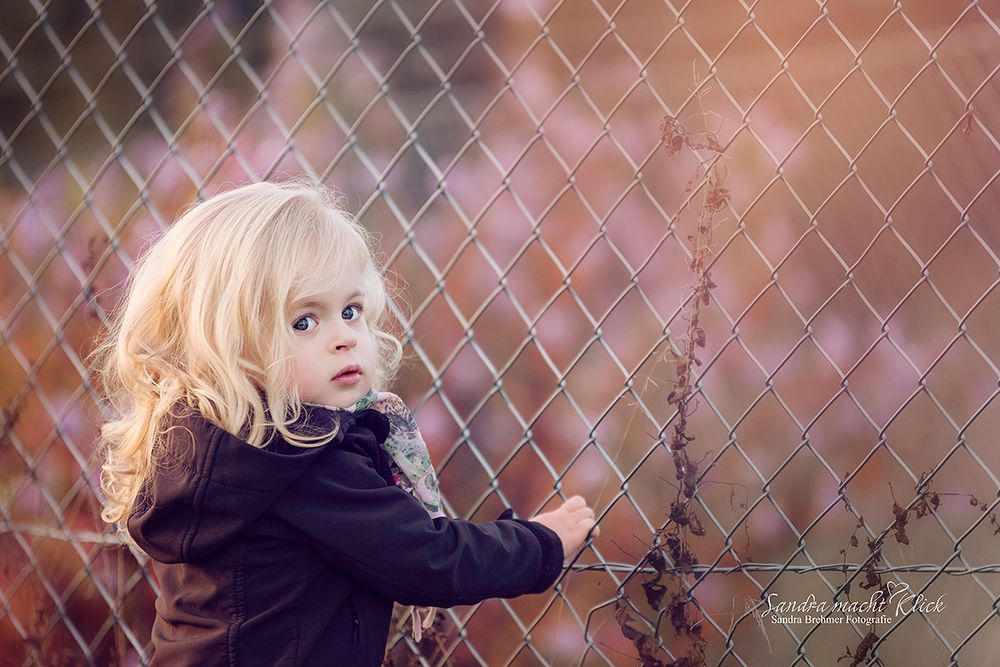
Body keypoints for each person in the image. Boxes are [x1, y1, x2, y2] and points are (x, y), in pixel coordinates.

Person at [93, 180, 598, 666]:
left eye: (351, 311)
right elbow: (429, 560)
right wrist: (541, 543)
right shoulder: (299, 460)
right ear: (227, 341)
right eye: (304, 321)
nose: (344, 337)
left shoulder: (205, 445)